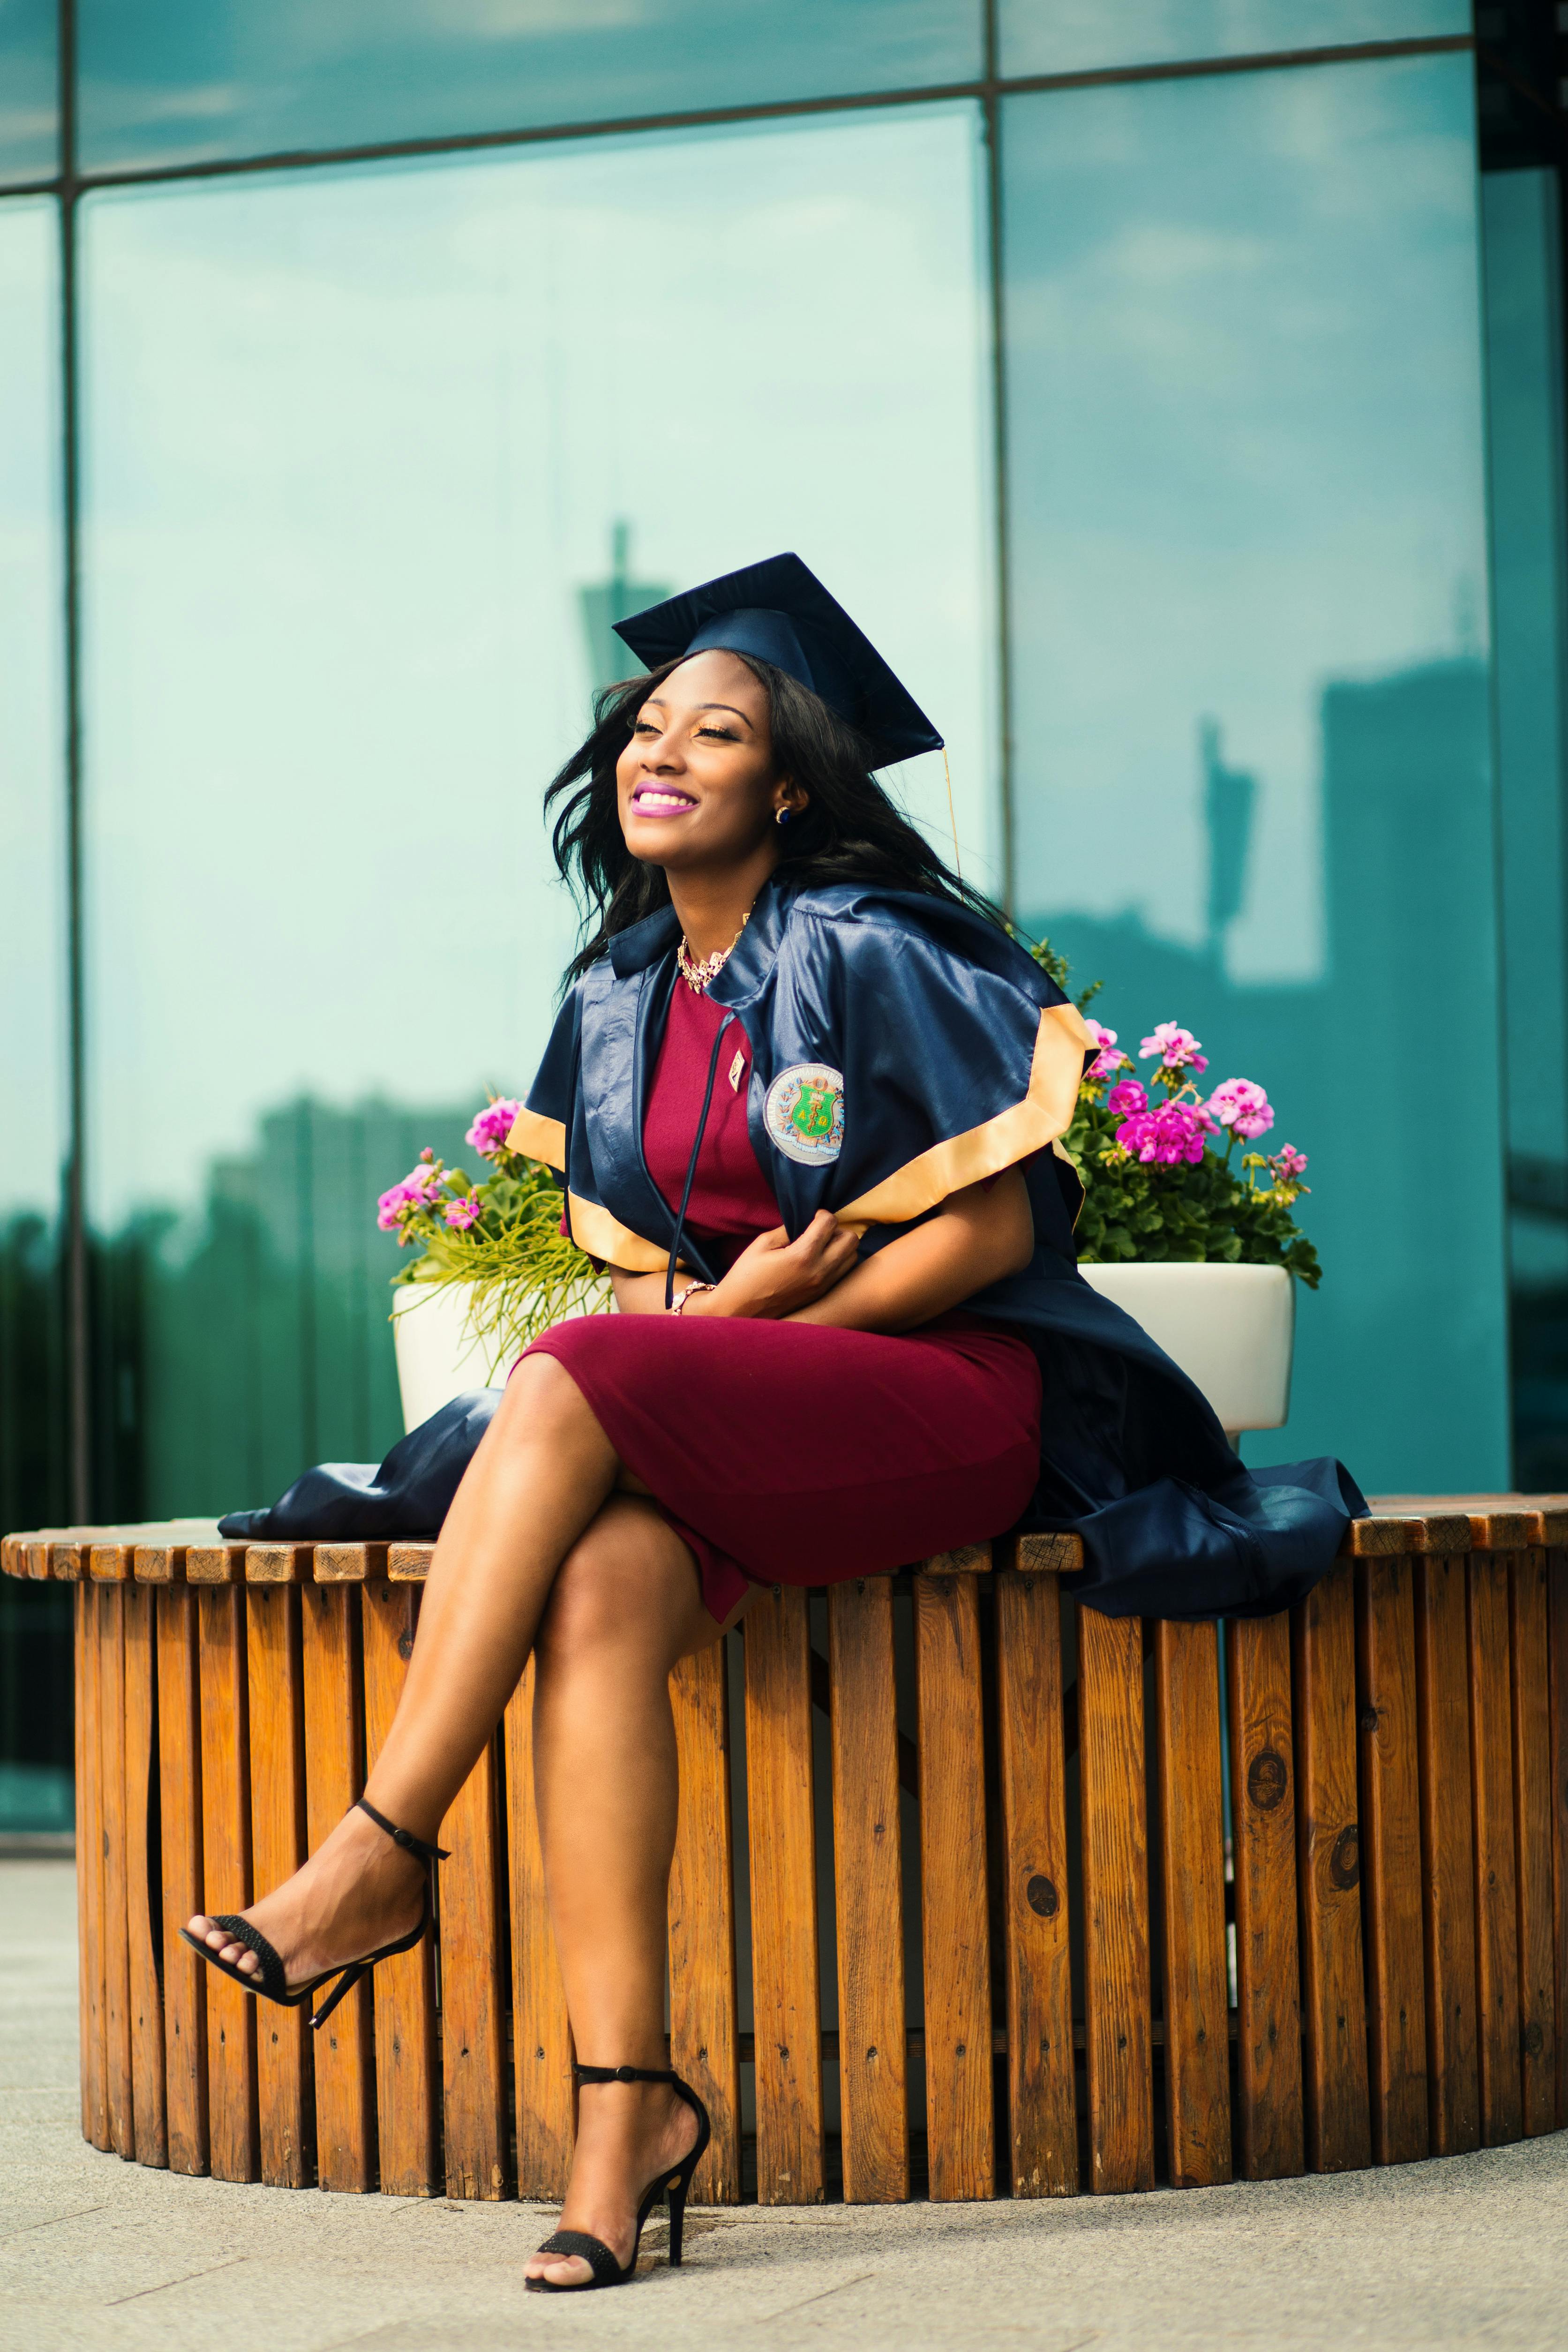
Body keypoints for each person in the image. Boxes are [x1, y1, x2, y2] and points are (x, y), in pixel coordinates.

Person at [191, 554, 1362, 2290]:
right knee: (596, 1587)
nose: (661, 751)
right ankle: (626, 2116)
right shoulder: (619, 996)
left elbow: (976, 1235)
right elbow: (669, 1287)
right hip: (748, 1401)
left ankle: (383, 1848)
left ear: (789, 783)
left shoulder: (867, 951)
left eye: (714, 729)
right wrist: (726, 1319)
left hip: (953, 1394)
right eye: (647, 725)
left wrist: (769, 1314)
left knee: (567, 1375)